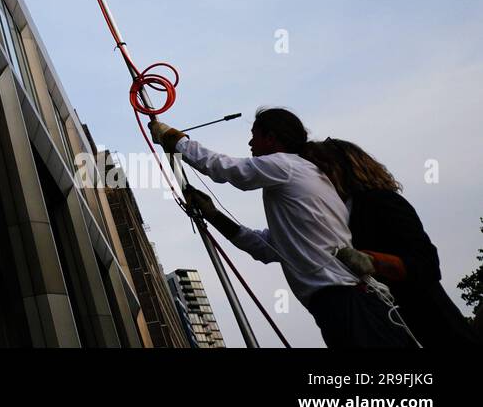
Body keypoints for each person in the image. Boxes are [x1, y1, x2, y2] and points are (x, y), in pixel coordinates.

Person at [150, 106, 412, 347]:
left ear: (273, 138)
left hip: (346, 300)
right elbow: (267, 248)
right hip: (342, 301)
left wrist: (176, 140)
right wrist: (216, 216)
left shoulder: (286, 165)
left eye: (255, 136)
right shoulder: (301, 175)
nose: (251, 142)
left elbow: (228, 170)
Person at [306, 138, 478, 347]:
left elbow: (427, 264)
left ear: (336, 169)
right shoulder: (336, 217)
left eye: (318, 171)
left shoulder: (380, 201)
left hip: (431, 328)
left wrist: (372, 261)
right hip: (382, 328)